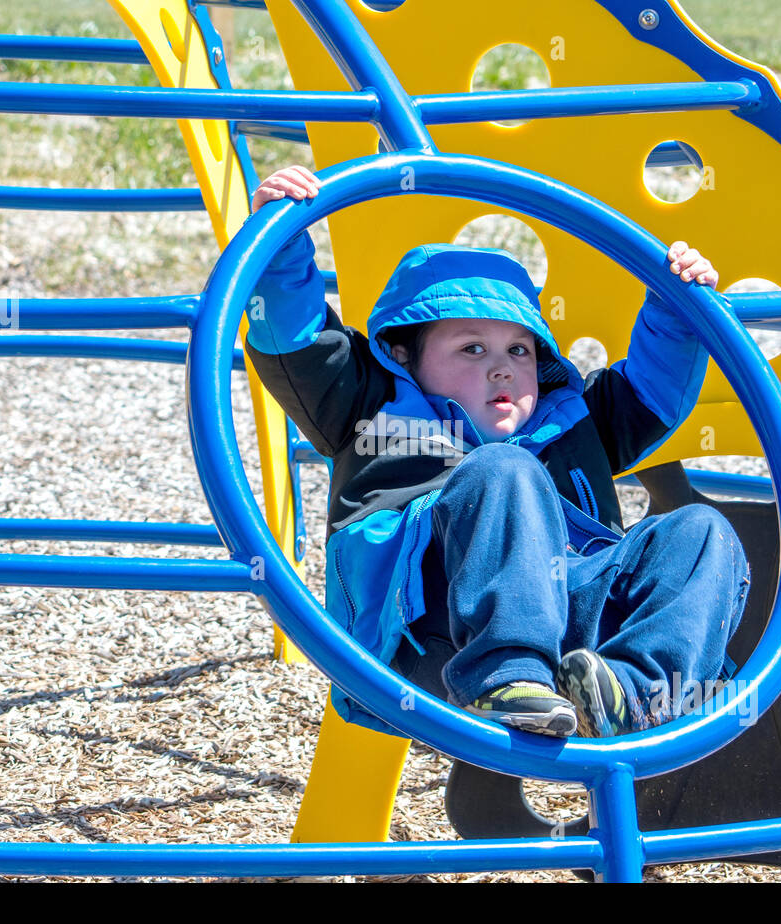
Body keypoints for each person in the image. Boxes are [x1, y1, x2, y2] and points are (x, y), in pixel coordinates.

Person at [246, 165, 750, 738]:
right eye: (471, 347)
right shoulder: (369, 405)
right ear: (405, 356)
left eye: (519, 348)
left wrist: (675, 307)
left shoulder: (571, 420)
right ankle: (506, 675)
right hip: (427, 631)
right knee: (504, 469)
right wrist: (281, 237)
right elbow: (296, 337)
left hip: (572, 633)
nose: (501, 365)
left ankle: (637, 693)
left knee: (701, 529)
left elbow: (653, 392)